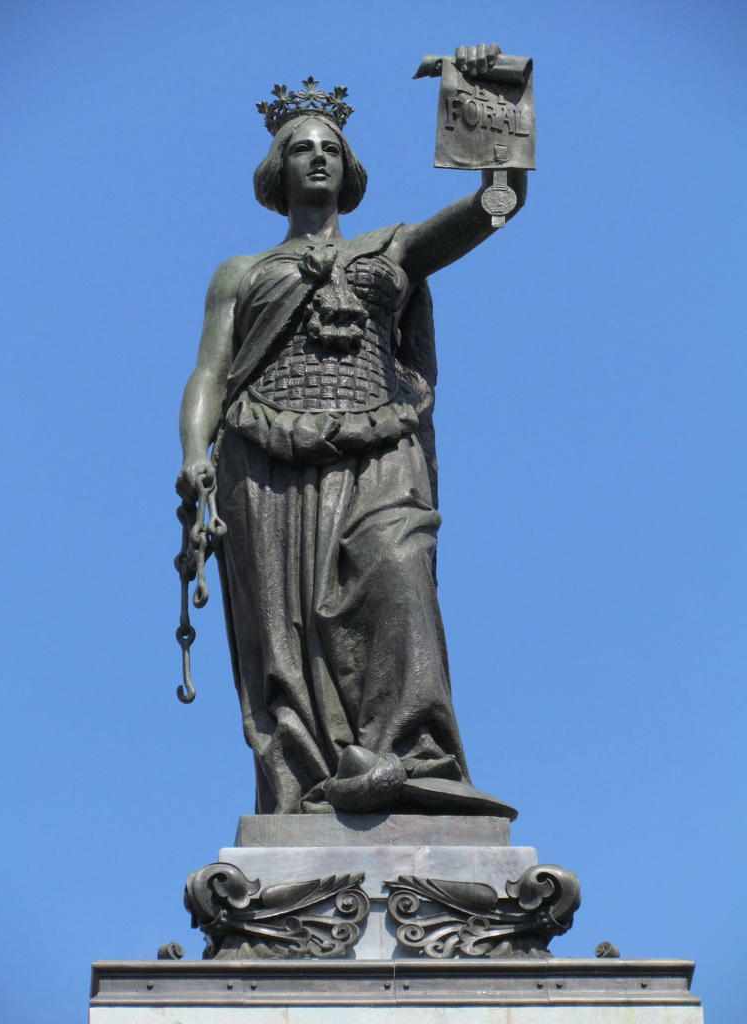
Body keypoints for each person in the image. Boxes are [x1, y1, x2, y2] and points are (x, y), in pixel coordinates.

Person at [177, 51, 527, 814]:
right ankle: (313, 776)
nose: (317, 157)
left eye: (330, 147)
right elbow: (210, 372)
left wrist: (487, 107)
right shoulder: (240, 271)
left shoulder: (392, 248)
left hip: (380, 446)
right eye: (301, 147)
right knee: (287, 632)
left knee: (398, 569)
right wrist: (192, 456)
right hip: (267, 455)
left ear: (350, 166)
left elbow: (496, 205)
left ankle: (416, 757)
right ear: (278, 169)